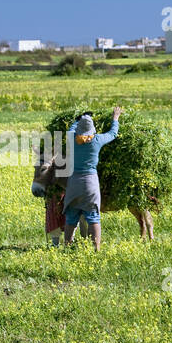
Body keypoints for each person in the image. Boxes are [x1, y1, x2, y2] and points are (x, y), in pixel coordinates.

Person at [63, 106, 122, 250]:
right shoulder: (97, 140)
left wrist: (78, 119)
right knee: (93, 217)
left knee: (71, 216)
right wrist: (115, 118)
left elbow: (71, 128)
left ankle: (67, 247)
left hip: (74, 183)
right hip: (90, 183)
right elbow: (113, 134)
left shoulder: (71, 137)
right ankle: (96, 249)